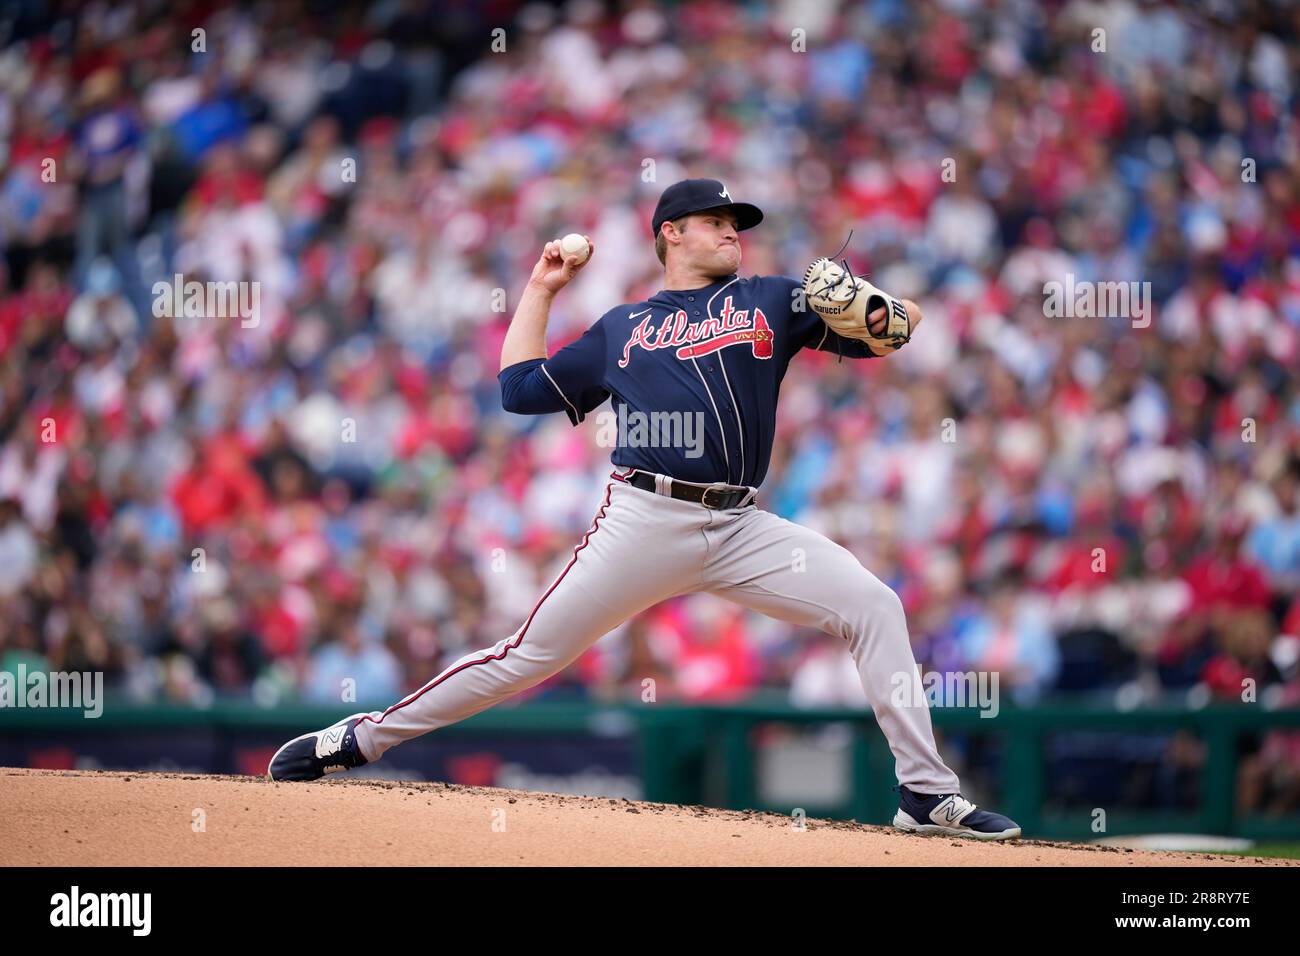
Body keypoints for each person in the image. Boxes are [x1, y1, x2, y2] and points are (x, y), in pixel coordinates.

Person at [267, 178, 1021, 841]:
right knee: (526, 656)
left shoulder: (772, 297)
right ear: (671, 232)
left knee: (874, 604)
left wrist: (877, 307)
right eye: (716, 219)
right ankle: (359, 740)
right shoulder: (622, 329)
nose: (733, 231)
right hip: (643, 519)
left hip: (742, 526)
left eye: (738, 222)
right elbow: (518, 387)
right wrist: (541, 288)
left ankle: (925, 793)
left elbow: (901, 330)